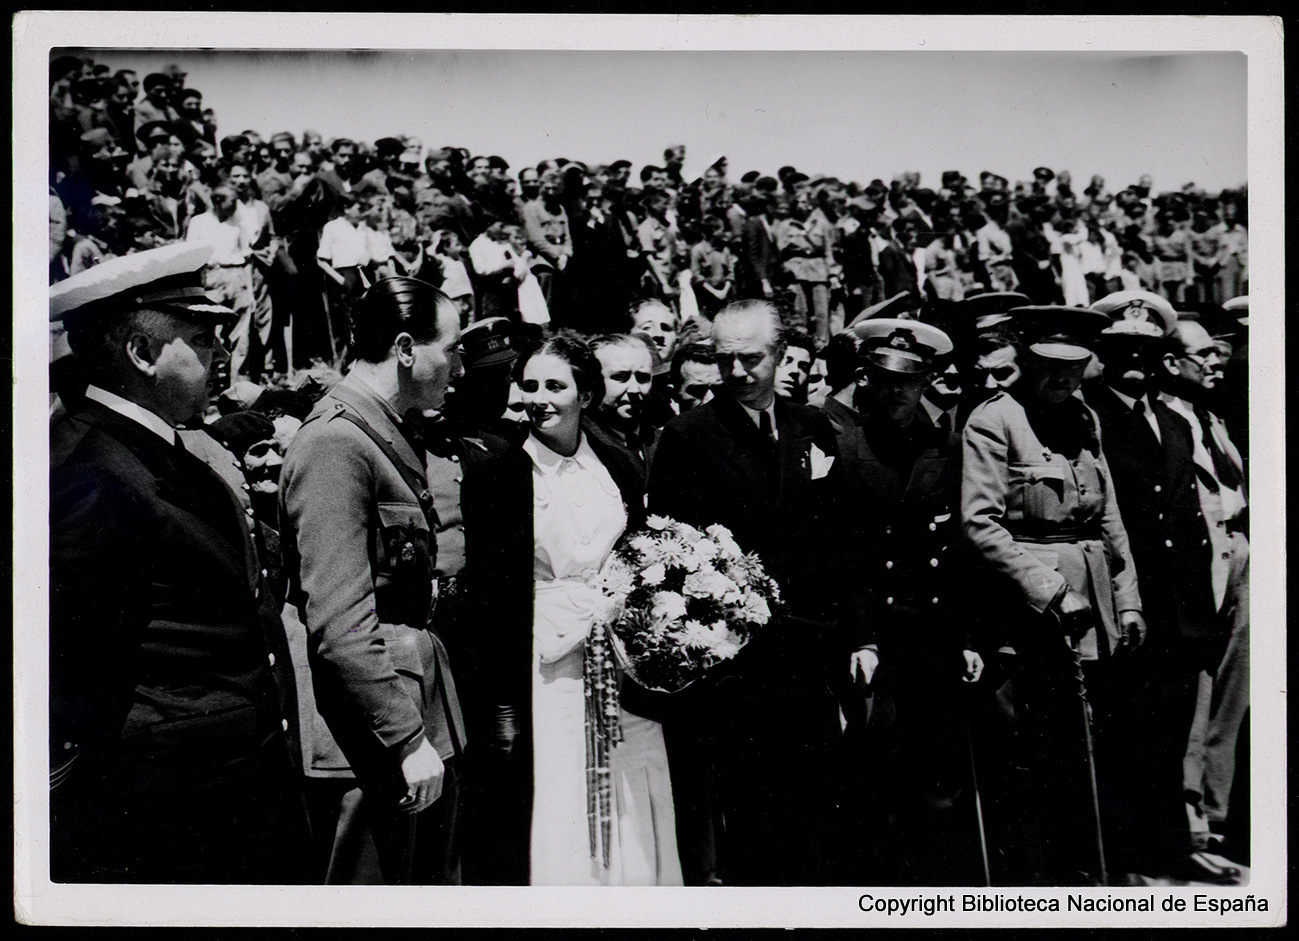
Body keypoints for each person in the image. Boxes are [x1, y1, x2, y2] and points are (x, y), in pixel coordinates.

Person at [49, 242, 310, 883]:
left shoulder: (157, 452)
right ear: (142, 353)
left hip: (221, 793)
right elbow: (72, 670)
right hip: (170, 813)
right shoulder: (95, 476)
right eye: (203, 339)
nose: (223, 357)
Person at [648, 299, 869, 886]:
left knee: (819, 809)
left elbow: (842, 540)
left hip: (812, 652)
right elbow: (678, 556)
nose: (739, 372)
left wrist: (860, 635)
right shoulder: (687, 436)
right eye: (726, 361)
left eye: (752, 359)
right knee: (754, 820)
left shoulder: (812, 425)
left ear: (780, 354)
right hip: (740, 667)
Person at [460, 333, 683, 886]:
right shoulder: (499, 474)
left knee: (630, 778)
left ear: (586, 394)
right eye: (529, 385)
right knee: (562, 783)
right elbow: (490, 598)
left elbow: (639, 552)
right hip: (546, 660)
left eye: (555, 386)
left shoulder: (617, 463)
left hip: (621, 653)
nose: (539, 398)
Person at [279, 277, 468, 885]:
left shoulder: (378, 431)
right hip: (370, 738)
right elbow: (339, 623)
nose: (459, 366)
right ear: (407, 348)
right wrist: (405, 737)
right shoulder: (336, 442)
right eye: (453, 348)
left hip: (400, 715)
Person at [961, 304, 1146, 886]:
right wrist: (1050, 590)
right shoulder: (995, 421)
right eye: (1047, 365)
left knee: (1090, 745)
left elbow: (1107, 516)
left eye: (1074, 366)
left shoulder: (1084, 418)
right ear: (1025, 358)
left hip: (1096, 603)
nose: (1060, 379)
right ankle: (1040, 882)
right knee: (1039, 748)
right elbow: (980, 523)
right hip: (1030, 612)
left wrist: (1128, 597)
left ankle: (1090, 874)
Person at [1085, 291, 1240, 883]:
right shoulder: (1092, 416)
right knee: (1127, 733)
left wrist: (1202, 609)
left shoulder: (1175, 422)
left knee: (1173, 733)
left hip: (1182, 612)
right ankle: (1127, 858)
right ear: (1105, 350)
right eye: (1123, 348)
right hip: (1132, 605)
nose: (1134, 360)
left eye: (1147, 350)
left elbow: (1191, 521)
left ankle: (1170, 847)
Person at [834, 317, 986, 885]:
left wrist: (967, 637)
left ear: (927, 381)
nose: (896, 390)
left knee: (937, 773)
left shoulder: (948, 449)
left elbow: (962, 550)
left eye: (910, 379)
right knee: (881, 769)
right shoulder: (847, 448)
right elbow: (846, 553)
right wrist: (863, 636)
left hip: (935, 633)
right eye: (884, 377)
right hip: (879, 637)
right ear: (867, 378)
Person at [1156, 316, 1249, 872]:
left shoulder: (1212, 414)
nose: (1216, 363)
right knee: (1197, 682)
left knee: (1236, 686)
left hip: (1238, 552)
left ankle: (1217, 809)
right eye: (1205, 355)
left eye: (1219, 353)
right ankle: (1189, 808)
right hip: (1200, 561)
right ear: (1173, 363)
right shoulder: (1165, 417)